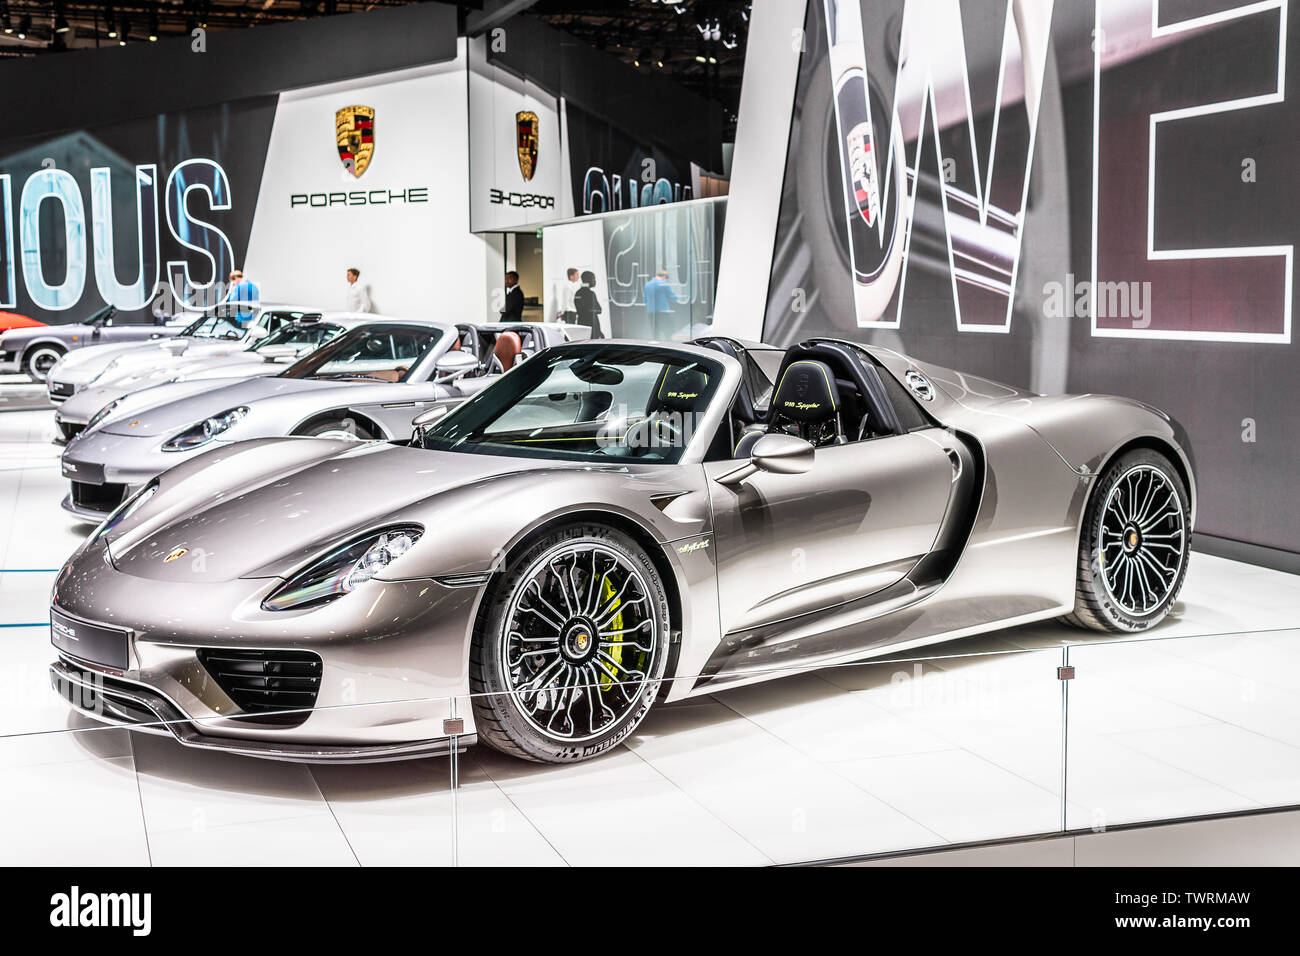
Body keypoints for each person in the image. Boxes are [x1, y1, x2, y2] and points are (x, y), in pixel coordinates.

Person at [643, 268, 682, 340]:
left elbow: (644, 300)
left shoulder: (647, 284)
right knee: (668, 332)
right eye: (667, 279)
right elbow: (674, 298)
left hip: (651, 312)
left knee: (655, 333)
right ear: (664, 277)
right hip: (663, 312)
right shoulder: (663, 284)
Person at [573, 270, 604, 338]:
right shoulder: (590, 294)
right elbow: (599, 310)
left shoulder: (578, 293)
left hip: (582, 325)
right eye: (593, 279)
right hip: (592, 327)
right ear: (588, 280)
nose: (595, 281)